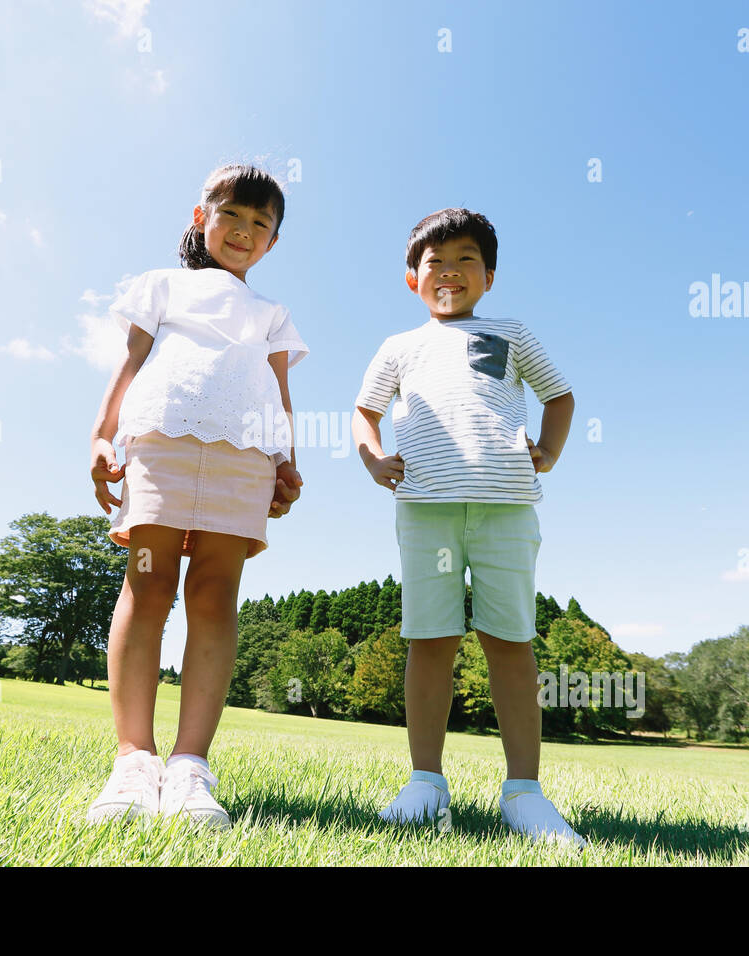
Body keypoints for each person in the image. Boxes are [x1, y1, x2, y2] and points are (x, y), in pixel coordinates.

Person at [351, 208, 585, 848]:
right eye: (435, 261)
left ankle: (524, 793)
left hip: (506, 506)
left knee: (509, 640)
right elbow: (364, 412)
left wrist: (550, 450)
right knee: (430, 638)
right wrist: (372, 456)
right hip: (426, 508)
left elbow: (559, 396)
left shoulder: (510, 333)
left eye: (465, 259)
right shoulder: (399, 347)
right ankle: (425, 783)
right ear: (412, 279)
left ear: (488, 276)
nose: (449, 270)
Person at [87, 164, 307, 829]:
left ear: (272, 241)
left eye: (260, 223)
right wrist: (102, 435)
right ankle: (133, 762)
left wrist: (285, 458)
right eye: (231, 215)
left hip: (244, 455)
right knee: (148, 586)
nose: (243, 231)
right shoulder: (162, 286)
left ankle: (189, 766)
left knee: (213, 595)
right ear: (200, 217)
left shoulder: (272, 313)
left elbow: (279, 392)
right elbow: (130, 360)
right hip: (161, 437)